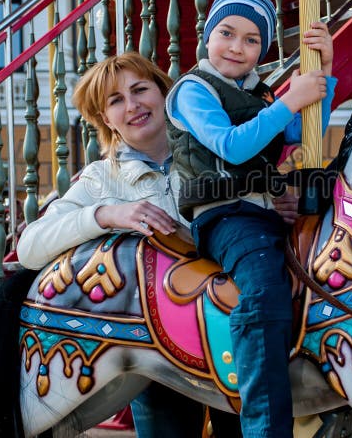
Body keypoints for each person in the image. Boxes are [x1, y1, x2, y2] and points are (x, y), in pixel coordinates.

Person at [16, 52, 238, 437]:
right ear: (106, 119)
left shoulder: (214, 153)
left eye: (140, 90)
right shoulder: (102, 179)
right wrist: (105, 215)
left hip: (229, 326)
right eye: (116, 100)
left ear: (163, 93)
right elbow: (29, 247)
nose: (132, 105)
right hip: (160, 350)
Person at [165, 0, 337, 437]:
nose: (237, 47)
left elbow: (302, 129)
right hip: (225, 216)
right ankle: (264, 426)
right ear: (207, 35)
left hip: (265, 214)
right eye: (227, 33)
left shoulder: (259, 96)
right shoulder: (193, 90)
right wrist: (289, 100)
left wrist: (324, 73)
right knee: (263, 291)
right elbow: (230, 146)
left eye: (252, 40)